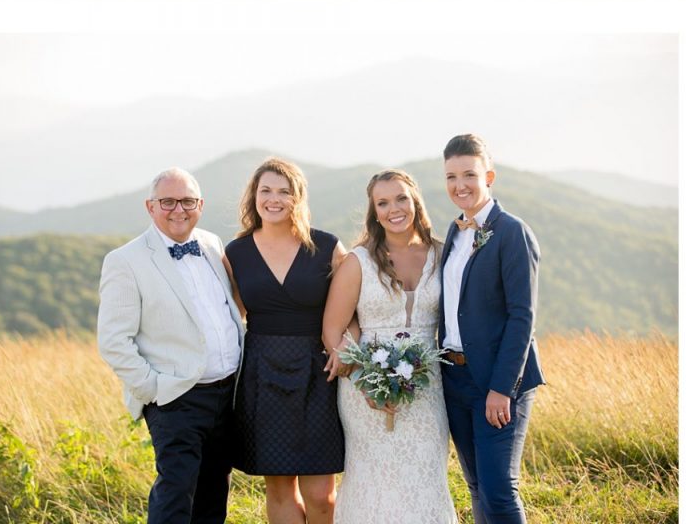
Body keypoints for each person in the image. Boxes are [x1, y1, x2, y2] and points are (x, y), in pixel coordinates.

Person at [97, 167, 244, 524]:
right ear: (150, 207)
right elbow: (114, 342)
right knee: (177, 493)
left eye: (187, 201)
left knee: (214, 490)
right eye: (168, 202)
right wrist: (155, 389)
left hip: (227, 393)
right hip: (176, 397)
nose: (179, 209)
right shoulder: (126, 261)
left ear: (201, 205)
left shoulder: (211, 244)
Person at [322, 170, 455, 524]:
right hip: (365, 390)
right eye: (383, 202)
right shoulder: (358, 261)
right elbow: (333, 330)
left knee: (425, 476)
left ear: (415, 202)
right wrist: (370, 383)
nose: (393, 208)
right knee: (372, 480)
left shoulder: (444, 255)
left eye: (401, 199)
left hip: (428, 388)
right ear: (374, 211)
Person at [225, 158, 346, 524]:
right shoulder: (235, 253)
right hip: (262, 374)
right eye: (266, 191)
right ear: (254, 196)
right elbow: (235, 312)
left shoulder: (327, 247)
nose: (274, 199)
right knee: (279, 490)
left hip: (317, 372)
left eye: (284, 191)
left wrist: (345, 347)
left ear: (298, 198)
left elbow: (350, 310)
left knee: (321, 495)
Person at [437, 135, 544, 524]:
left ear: (490, 176)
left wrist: (502, 389)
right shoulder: (455, 232)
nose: (459, 185)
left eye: (469, 174)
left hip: (498, 381)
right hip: (456, 378)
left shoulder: (512, 232)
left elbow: (522, 317)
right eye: (451, 176)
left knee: (499, 491)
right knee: (477, 486)